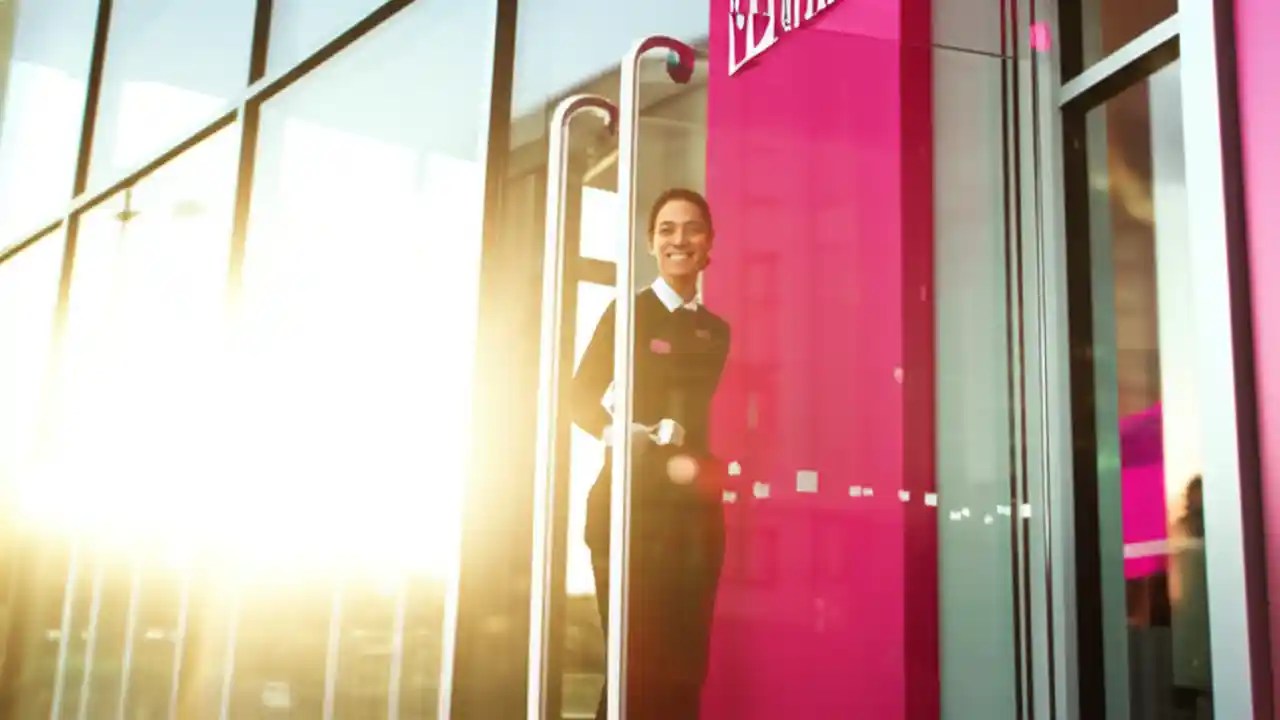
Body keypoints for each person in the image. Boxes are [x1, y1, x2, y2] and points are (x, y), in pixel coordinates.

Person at [571, 188, 731, 719]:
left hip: (694, 518)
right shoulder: (627, 312)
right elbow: (577, 398)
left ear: (709, 244)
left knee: (685, 671)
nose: (679, 239)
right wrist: (624, 433)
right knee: (634, 668)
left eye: (692, 228)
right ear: (650, 243)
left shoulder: (717, 332)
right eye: (666, 229)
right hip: (630, 509)